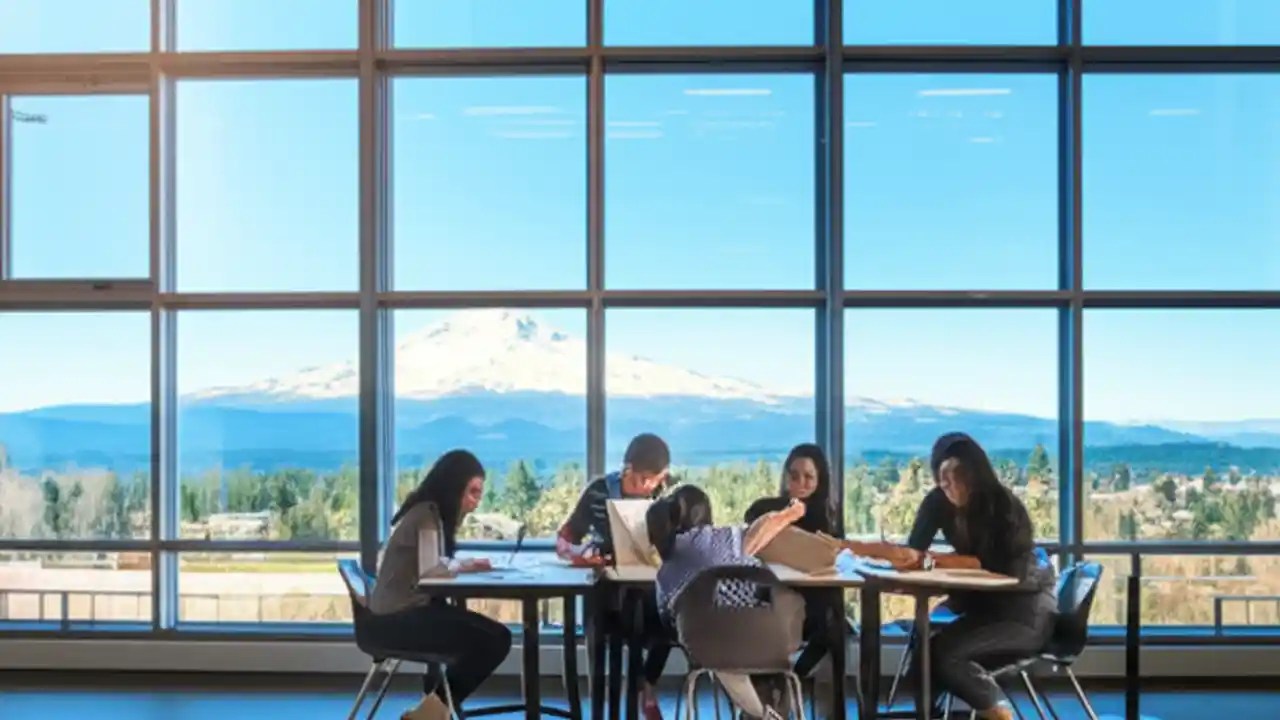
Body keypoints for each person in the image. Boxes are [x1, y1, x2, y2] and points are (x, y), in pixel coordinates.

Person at [898, 432, 1057, 720]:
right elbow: (915, 552)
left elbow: (999, 569)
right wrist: (921, 562)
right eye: (943, 476)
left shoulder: (1004, 507)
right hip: (982, 609)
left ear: (976, 473)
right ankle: (927, 714)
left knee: (945, 654)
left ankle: (997, 712)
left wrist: (931, 563)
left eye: (959, 475)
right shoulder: (938, 502)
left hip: (1023, 611)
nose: (951, 484)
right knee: (923, 656)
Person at [369, 450, 513, 720]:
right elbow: (431, 571)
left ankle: (434, 709)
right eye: (472, 492)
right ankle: (431, 712)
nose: (476, 502)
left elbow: (431, 565)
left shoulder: (426, 512)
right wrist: (463, 566)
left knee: (491, 637)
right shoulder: (426, 515)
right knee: (496, 640)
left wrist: (464, 565)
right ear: (454, 486)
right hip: (397, 620)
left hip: (393, 614)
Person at [648, 485, 808, 720]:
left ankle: (761, 713)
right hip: (767, 635)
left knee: (717, 643)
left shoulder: (666, 567)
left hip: (710, 646)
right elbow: (762, 527)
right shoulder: (728, 537)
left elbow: (666, 619)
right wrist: (792, 513)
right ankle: (767, 710)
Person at [555, 433, 672, 719]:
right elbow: (564, 539)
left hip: (652, 584)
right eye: (638, 478)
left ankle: (645, 685)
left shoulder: (667, 495)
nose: (644, 486)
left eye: (651, 480)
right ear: (626, 467)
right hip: (607, 584)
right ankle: (609, 701)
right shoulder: (599, 490)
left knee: (669, 620)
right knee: (613, 611)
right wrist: (579, 554)